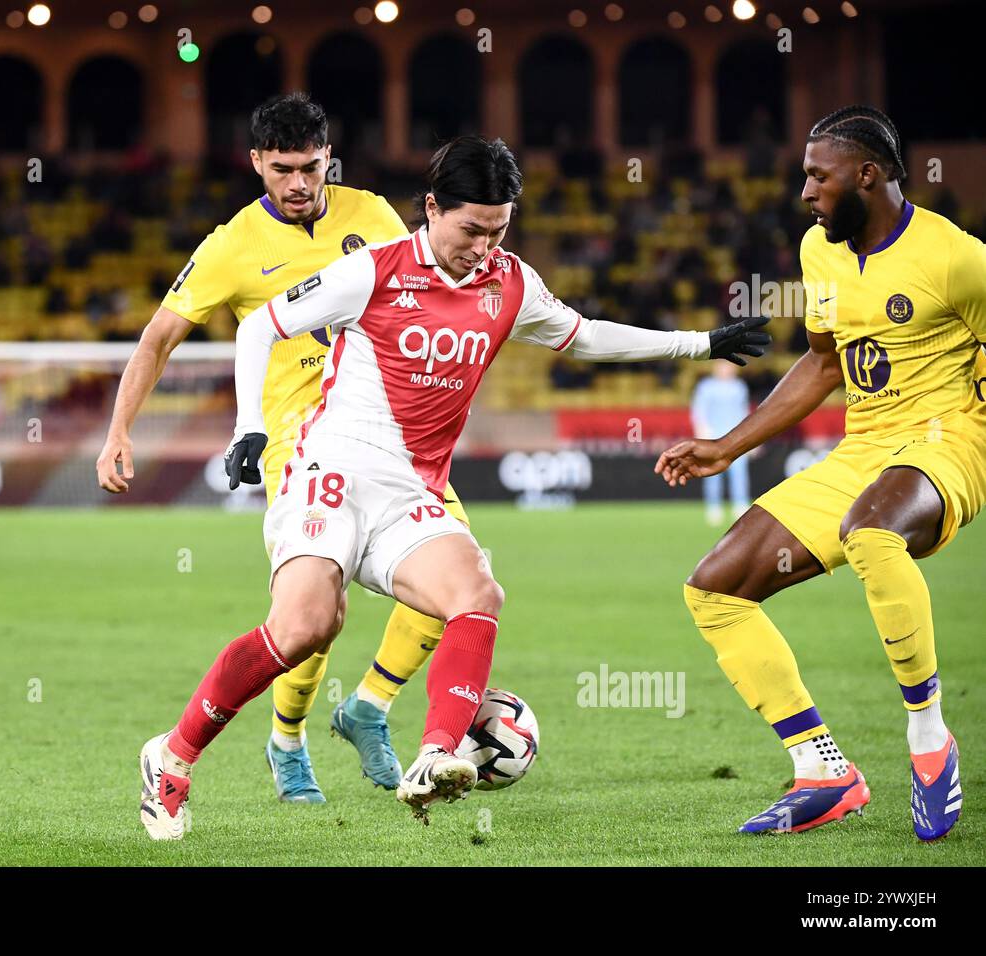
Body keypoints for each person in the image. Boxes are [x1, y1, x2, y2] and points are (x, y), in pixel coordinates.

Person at [139, 135, 770, 840]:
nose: (483, 247)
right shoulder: (370, 272)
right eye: (471, 229)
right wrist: (249, 428)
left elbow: (586, 336)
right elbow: (259, 325)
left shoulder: (511, 282)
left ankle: (435, 755)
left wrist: (700, 344)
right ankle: (171, 757)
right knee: (308, 626)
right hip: (332, 470)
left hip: (411, 492)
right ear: (432, 208)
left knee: (477, 593)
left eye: (498, 231)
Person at [95, 93, 474, 801]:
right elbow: (158, 338)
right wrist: (120, 430)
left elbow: (422, 297)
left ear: (329, 155)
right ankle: (287, 740)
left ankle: (369, 706)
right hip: (299, 445)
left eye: (309, 167)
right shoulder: (231, 245)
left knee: (460, 578)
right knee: (314, 615)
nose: (298, 184)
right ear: (255, 165)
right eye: (281, 170)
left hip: (392, 434)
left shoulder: (373, 217)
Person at [657, 106, 986, 840]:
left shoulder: (957, 257)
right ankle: (823, 769)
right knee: (713, 590)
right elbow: (823, 360)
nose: (805, 191)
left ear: (867, 174)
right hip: (864, 447)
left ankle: (930, 741)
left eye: (817, 175)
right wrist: (727, 447)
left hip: (946, 442)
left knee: (870, 533)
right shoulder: (820, 250)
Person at [690, 361, 751, 524]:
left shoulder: (739, 387)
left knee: (739, 474)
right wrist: (702, 432)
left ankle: (740, 505)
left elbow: (744, 413)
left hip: (736, 439)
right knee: (712, 473)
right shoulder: (706, 386)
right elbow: (699, 412)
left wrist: (750, 437)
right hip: (714, 437)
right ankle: (713, 506)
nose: (726, 370)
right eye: (723, 366)